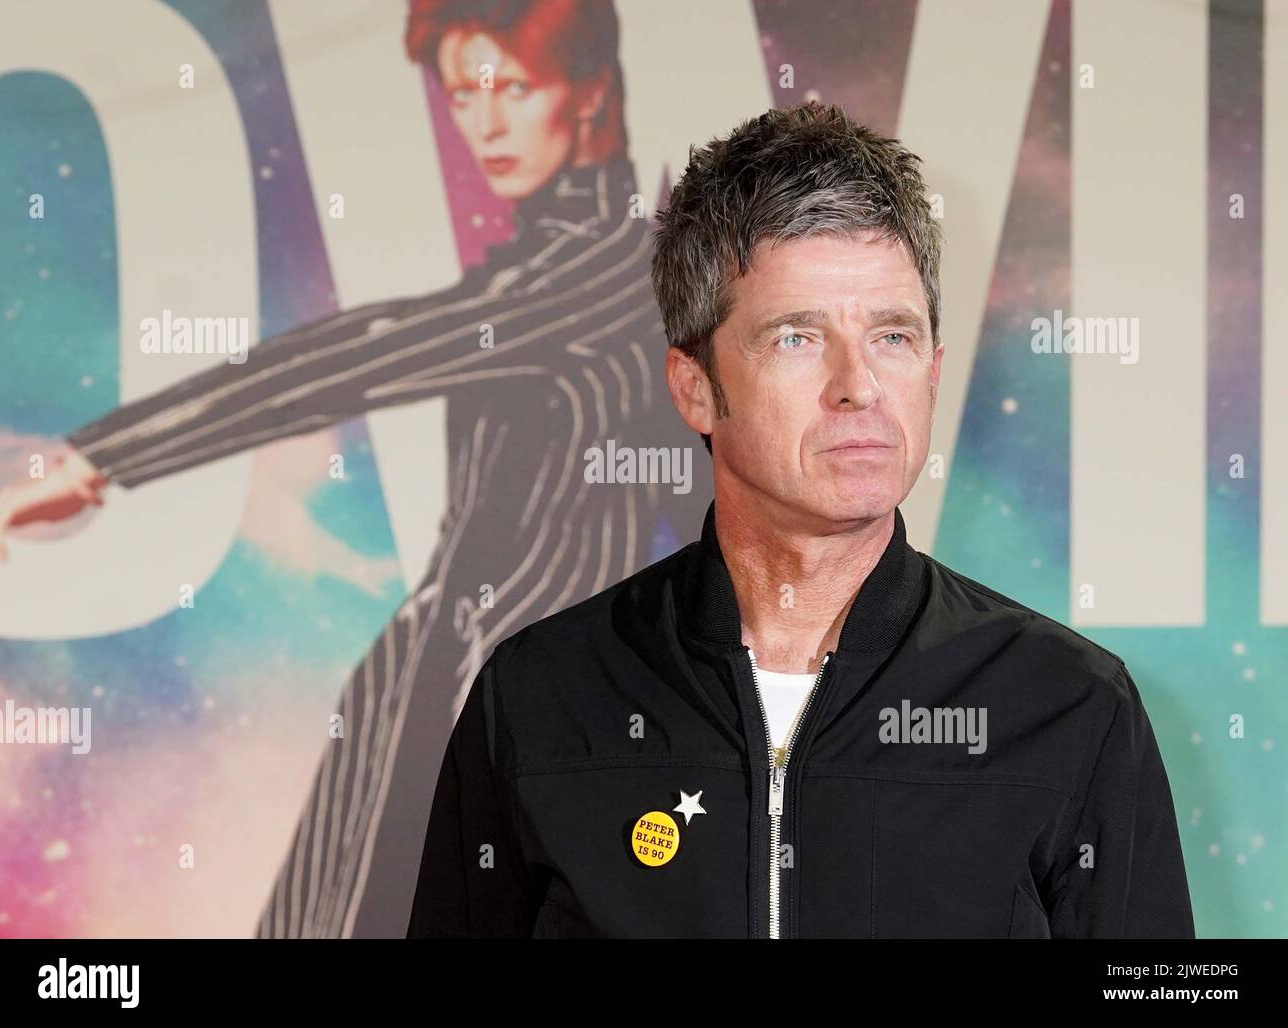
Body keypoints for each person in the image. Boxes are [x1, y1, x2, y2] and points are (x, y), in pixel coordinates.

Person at [0, 0, 709, 937]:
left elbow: (366, 352)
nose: (482, 122)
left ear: (592, 89)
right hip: (473, 717)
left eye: (514, 88)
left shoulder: (595, 273)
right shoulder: (599, 267)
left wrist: (103, 457)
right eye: (462, 92)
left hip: (485, 723)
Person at [407, 99, 1197, 938]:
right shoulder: (539, 700)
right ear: (695, 387)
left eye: (892, 335)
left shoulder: (1069, 705)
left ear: (933, 371)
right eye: (797, 337)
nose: (858, 385)